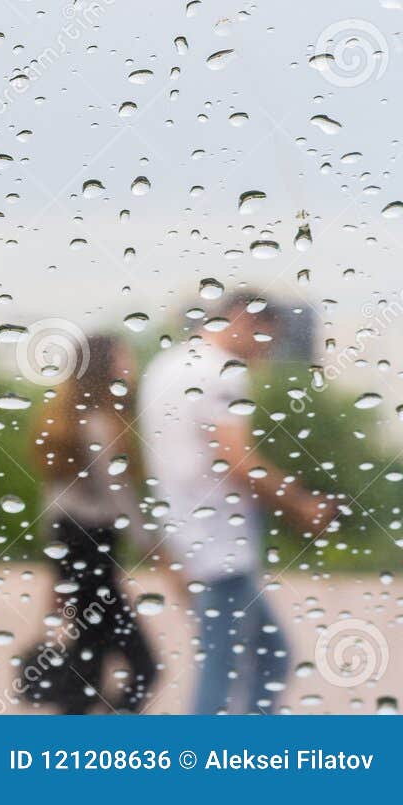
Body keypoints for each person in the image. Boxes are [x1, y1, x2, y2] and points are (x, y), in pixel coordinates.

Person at [138, 292, 336, 714]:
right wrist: (300, 504)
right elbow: (237, 459)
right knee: (226, 664)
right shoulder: (223, 371)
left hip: (185, 532)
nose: (267, 353)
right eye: (267, 340)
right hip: (219, 543)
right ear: (244, 321)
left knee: (268, 654)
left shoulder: (164, 366)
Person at [25, 333, 158, 713]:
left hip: (70, 543)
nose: (130, 366)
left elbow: (53, 501)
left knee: (89, 656)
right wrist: (153, 545)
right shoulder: (101, 422)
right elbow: (118, 493)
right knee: (140, 665)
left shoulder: (64, 419)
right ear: (105, 368)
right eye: (123, 358)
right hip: (93, 546)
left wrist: (57, 569)